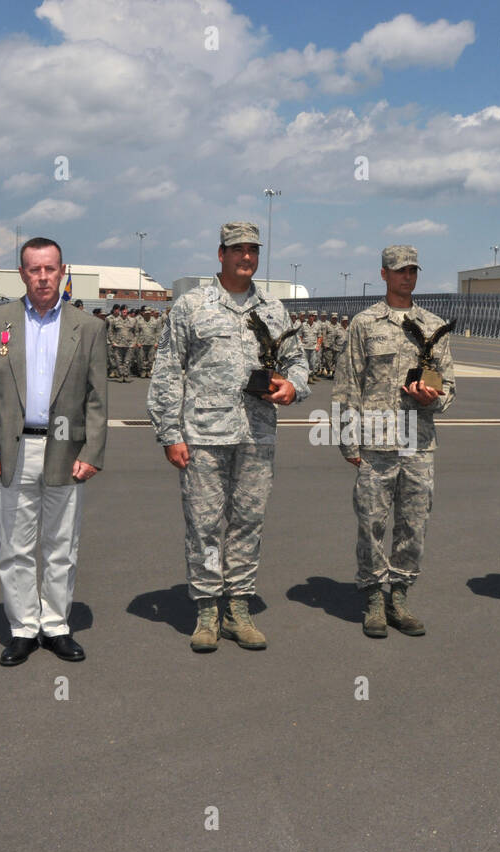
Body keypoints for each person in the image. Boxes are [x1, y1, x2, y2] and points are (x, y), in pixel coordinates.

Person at [147, 222, 309, 653]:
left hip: (257, 435)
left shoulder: (274, 310)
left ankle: (238, 606)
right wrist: (169, 433)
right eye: (238, 249)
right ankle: (206, 609)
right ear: (220, 254)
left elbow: (298, 362)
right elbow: (168, 370)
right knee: (203, 525)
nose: (247, 257)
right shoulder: (192, 305)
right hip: (202, 435)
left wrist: (293, 387)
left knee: (248, 523)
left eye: (253, 250)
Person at [0, 237, 108, 667]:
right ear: (22, 273)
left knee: (61, 545)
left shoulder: (88, 327)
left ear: (62, 271)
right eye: (34, 269)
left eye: (50, 269)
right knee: (14, 545)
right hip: (13, 449)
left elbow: (97, 400)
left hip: (66, 449)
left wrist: (93, 451)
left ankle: (56, 626)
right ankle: (24, 628)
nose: (43, 277)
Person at [334, 245, 455, 638]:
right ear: (384, 274)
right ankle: (372, 597)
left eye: (413, 270)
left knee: (414, 523)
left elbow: (447, 385)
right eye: (400, 270)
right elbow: (348, 384)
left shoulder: (434, 326)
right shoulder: (365, 324)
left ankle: (399, 595)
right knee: (371, 522)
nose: (407, 276)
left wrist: (434, 398)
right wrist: (348, 441)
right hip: (376, 442)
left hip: (418, 441)